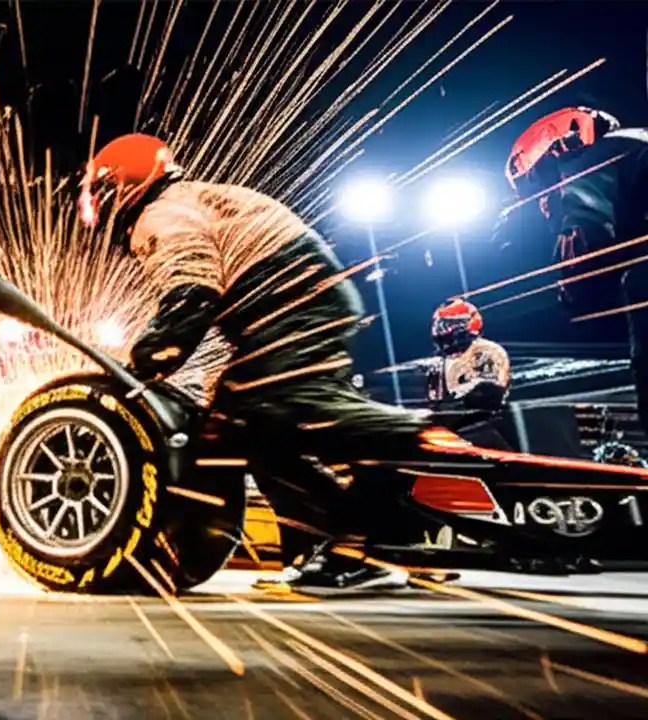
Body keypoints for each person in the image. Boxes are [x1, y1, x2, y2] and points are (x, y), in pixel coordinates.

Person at [79, 133, 477, 590]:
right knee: (240, 423)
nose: (101, 210)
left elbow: (191, 293)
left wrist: (143, 362)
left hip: (293, 301)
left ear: (123, 185)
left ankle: (416, 443)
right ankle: (328, 545)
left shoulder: (161, 212)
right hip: (299, 297)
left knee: (276, 405)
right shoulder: (188, 199)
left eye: (103, 194)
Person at [505, 106, 648, 431]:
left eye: (539, 196)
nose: (544, 206)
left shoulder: (593, 162)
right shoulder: (636, 144)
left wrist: (571, 289)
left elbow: (587, 235)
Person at [425, 298, 512, 449]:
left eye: (447, 325)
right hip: (453, 428)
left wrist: (458, 399)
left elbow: (490, 391)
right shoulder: (438, 363)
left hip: (485, 423)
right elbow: (435, 400)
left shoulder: (486, 350)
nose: (442, 331)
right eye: (440, 325)